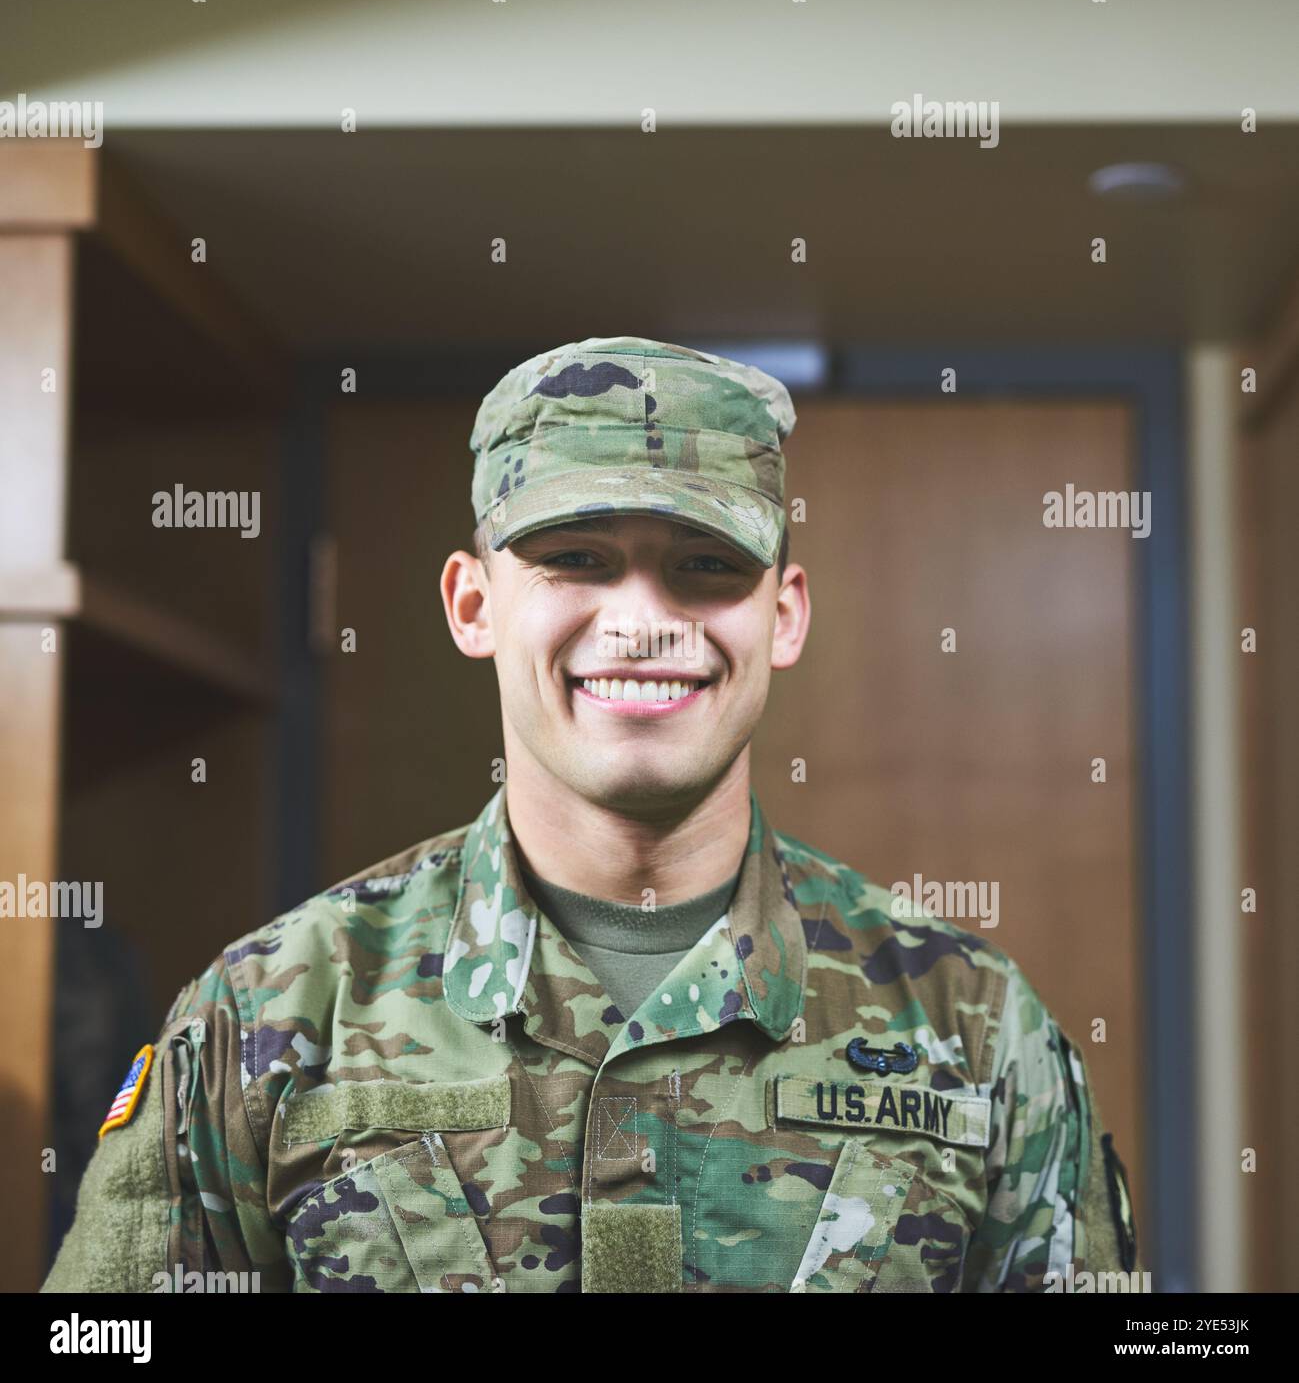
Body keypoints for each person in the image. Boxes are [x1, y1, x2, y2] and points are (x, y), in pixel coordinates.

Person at [43, 335, 1139, 1294]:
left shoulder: (977, 1032)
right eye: (577, 559)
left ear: (785, 616)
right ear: (474, 605)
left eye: (707, 566)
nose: (645, 621)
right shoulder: (271, 1015)